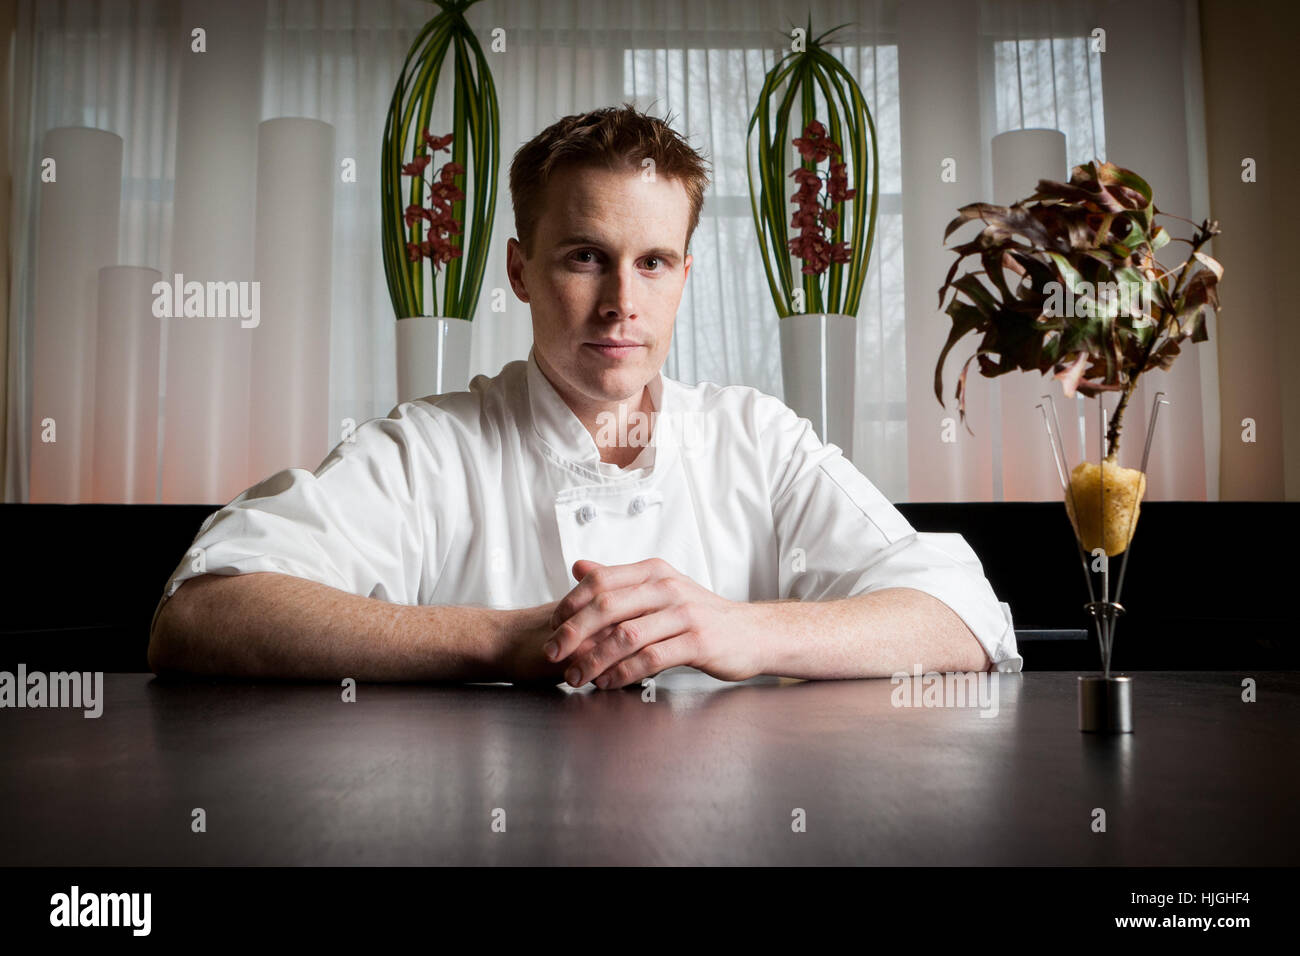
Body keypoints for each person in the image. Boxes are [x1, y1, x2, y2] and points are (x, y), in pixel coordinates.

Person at [148, 104, 1022, 689]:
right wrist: (502, 640)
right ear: (521, 271)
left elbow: (963, 619)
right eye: (584, 257)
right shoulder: (430, 449)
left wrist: (735, 632)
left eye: (652, 263)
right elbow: (204, 610)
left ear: (685, 275)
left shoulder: (759, 440)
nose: (620, 304)